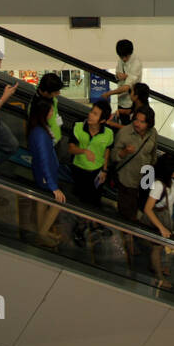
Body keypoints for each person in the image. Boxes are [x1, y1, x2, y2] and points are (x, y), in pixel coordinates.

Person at [144, 152, 174, 287]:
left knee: (159, 247)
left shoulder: (170, 180)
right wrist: (161, 228)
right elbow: (148, 208)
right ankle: (159, 278)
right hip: (159, 222)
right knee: (157, 248)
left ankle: (157, 267)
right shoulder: (158, 185)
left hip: (165, 219)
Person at [68, 100, 114, 242]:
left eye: (95, 114)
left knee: (95, 201)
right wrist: (84, 151)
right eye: (91, 111)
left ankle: (94, 224)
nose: (90, 115)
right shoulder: (78, 127)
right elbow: (71, 148)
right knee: (83, 202)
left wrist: (105, 170)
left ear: (103, 120)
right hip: (80, 171)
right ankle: (80, 228)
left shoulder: (108, 134)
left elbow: (107, 151)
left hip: (97, 173)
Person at [112, 106, 158, 244]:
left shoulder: (152, 133)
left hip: (145, 177)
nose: (137, 123)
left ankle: (136, 235)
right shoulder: (124, 133)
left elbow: (153, 153)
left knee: (143, 207)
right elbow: (114, 156)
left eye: (142, 122)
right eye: (136, 120)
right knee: (127, 212)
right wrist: (125, 152)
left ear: (149, 124)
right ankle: (127, 241)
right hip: (128, 179)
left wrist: (152, 171)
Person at [26, 95, 65, 249]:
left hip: (42, 174)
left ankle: (42, 232)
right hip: (45, 176)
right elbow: (43, 159)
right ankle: (42, 234)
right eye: (50, 110)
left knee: (42, 202)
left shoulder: (38, 129)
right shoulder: (41, 134)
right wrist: (53, 185)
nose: (52, 113)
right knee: (57, 202)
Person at [32, 72, 69, 164]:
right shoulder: (36, 107)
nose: (58, 94)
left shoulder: (50, 98)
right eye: (56, 92)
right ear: (45, 92)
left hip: (56, 139)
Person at [106, 39, 141, 127]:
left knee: (129, 127)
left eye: (126, 56)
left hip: (131, 101)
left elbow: (126, 87)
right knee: (121, 121)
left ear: (131, 53)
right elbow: (118, 73)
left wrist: (109, 93)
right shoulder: (120, 60)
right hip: (121, 100)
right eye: (122, 57)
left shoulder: (136, 63)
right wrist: (118, 75)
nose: (124, 59)